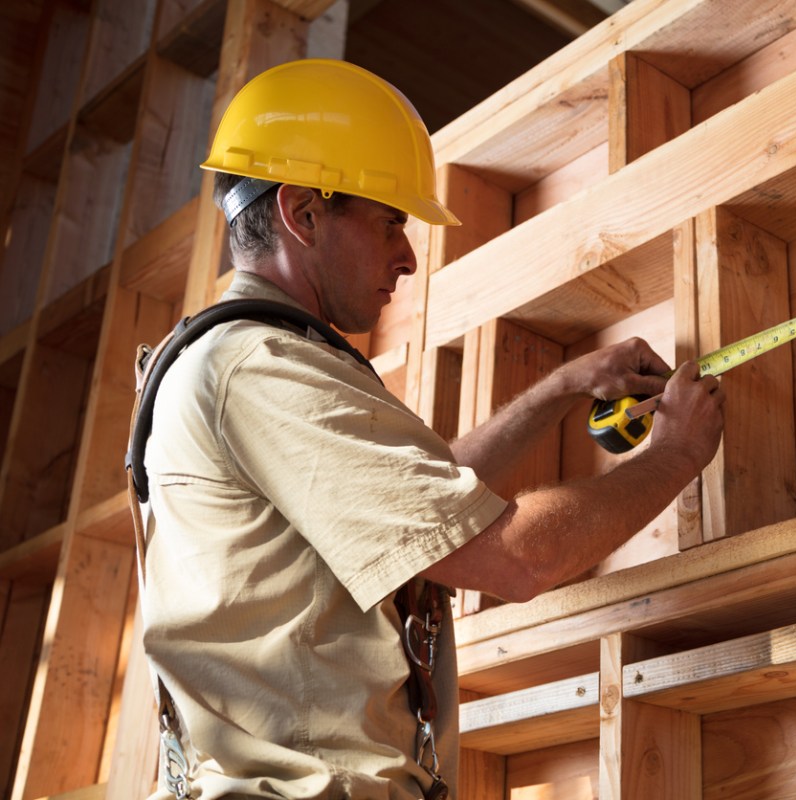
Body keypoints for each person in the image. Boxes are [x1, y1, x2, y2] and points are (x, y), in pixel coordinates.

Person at [135, 58, 724, 800]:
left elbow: (423, 511)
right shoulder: (261, 369)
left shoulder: (242, 363)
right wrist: (674, 455)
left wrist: (560, 388)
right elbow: (515, 558)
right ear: (303, 213)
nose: (409, 257)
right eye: (389, 222)